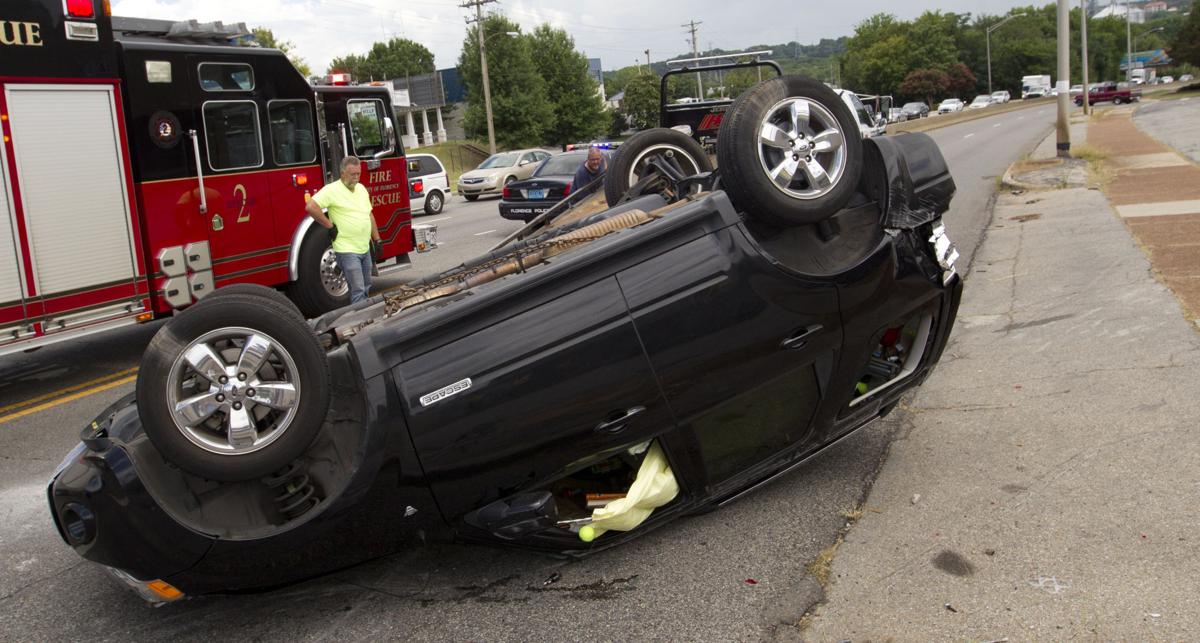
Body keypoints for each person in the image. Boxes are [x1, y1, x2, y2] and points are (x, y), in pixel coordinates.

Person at [305, 156, 381, 304]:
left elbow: (369, 215)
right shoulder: (331, 190)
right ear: (342, 174)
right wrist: (329, 225)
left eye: (358, 174)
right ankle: (360, 318)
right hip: (347, 249)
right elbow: (311, 207)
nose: (356, 177)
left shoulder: (361, 189)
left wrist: (377, 239)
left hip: (364, 247)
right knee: (358, 290)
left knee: (367, 286)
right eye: (353, 174)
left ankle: (365, 315)